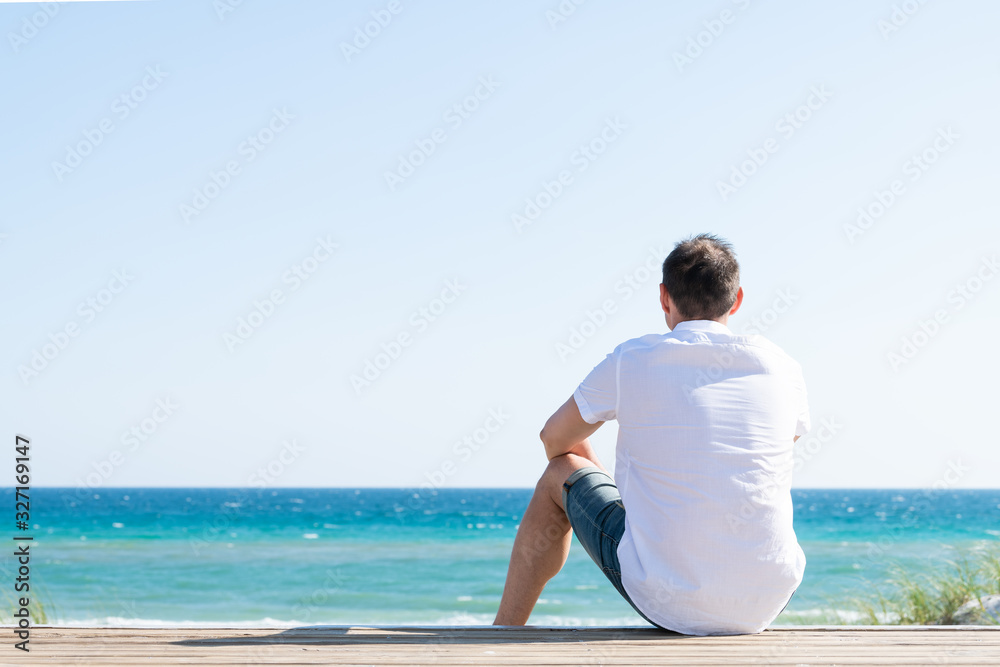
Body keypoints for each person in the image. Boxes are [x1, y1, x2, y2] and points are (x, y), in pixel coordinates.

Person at [493, 234, 810, 635]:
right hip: (767, 598)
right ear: (737, 299)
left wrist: (603, 480)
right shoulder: (782, 367)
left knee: (560, 472)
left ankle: (503, 630)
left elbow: (553, 440)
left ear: (664, 297)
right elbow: (775, 449)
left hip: (667, 602)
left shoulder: (633, 360)